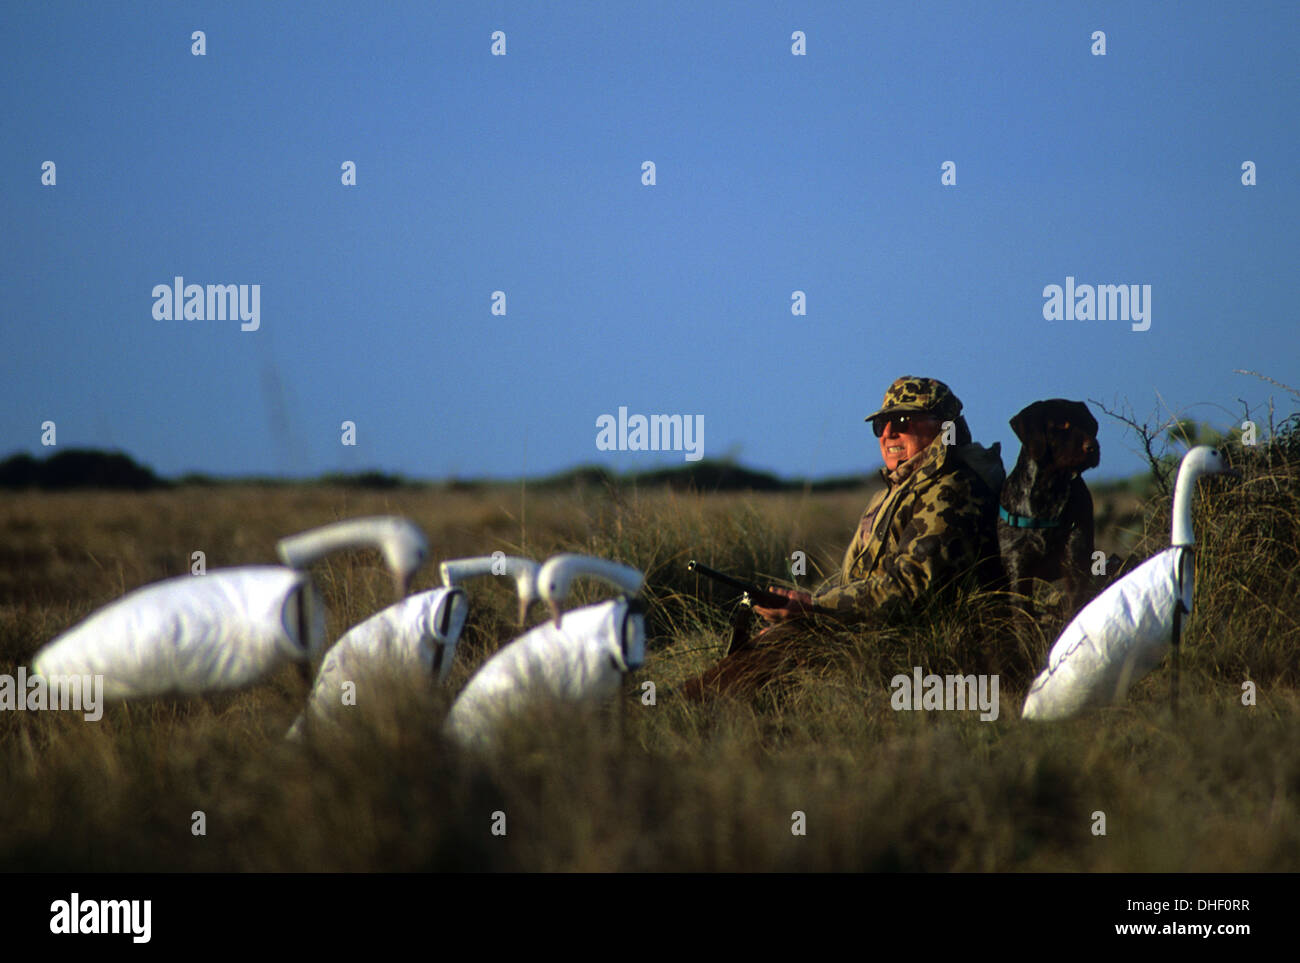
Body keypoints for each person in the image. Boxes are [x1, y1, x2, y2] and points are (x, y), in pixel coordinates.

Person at [755, 376, 1005, 627]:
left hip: (913, 648)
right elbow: (854, 583)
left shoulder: (953, 490)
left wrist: (814, 608)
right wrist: (805, 610)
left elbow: (911, 588)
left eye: (902, 421)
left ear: (943, 427)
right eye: (880, 424)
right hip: (866, 630)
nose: (888, 433)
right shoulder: (891, 492)